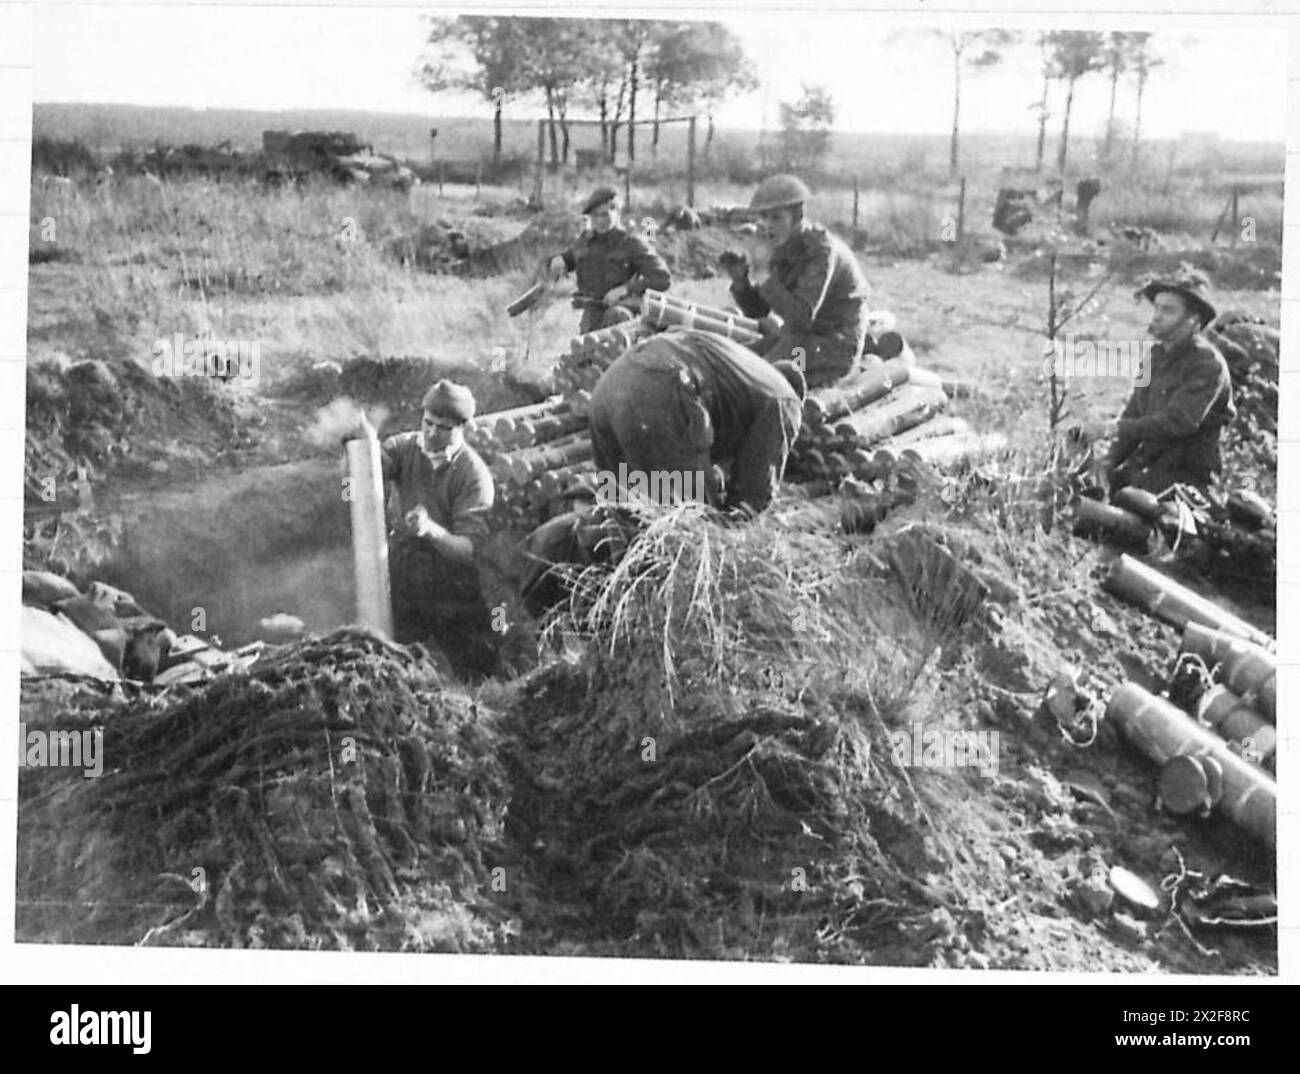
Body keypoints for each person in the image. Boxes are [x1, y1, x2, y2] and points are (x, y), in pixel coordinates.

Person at [588, 329, 804, 518]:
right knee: (696, 519)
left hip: (607, 388)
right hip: (661, 388)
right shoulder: (784, 399)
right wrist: (735, 523)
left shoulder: (745, 369)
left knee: (621, 511)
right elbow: (752, 492)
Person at [379, 379, 499, 679]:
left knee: (476, 666)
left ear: (462, 428)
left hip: (450, 577)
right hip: (404, 567)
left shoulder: (473, 475)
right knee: (395, 655)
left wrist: (430, 530)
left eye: (443, 428)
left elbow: (468, 550)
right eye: (428, 423)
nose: (432, 433)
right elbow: (364, 474)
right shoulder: (402, 448)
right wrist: (357, 452)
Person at [719, 173, 870, 389]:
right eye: (764, 217)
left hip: (833, 350)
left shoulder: (820, 251)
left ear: (797, 216)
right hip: (800, 341)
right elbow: (760, 311)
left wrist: (764, 274)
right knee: (732, 361)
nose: (768, 225)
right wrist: (742, 283)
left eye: (776, 218)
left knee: (757, 380)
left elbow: (801, 318)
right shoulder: (782, 246)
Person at [1106, 272, 1236, 495]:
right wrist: (1106, 463)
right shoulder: (1154, 357)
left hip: (1187, 477)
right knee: (1084, 494)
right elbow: (1133, 414)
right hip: (1148, 466)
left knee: (1127, 501)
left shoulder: (1206, 363)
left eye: (1168, 311)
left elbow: (1178, 423)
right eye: (1156, 308)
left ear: (1193, 319)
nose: (1157, 317)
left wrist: (1111, 428)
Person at [546, 186, 672, 333]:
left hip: (626, 314)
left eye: (605, 215)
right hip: (593, 312)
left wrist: (625, 289)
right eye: (595, 216)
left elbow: (662, 277)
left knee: (616, 316)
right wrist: (558, 260)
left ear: (617, 212)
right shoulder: (586, 241)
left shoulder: (631, 243)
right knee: (587, 341)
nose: (600, 221)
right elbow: (569, 258)